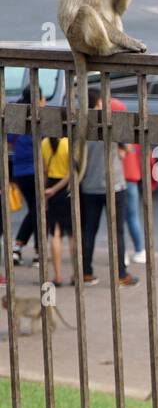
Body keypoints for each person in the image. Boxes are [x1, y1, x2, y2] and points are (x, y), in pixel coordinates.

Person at [78, 89, 138, 288]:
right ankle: (121, 274)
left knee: (89, 230)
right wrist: (119, 150)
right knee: (117, 232)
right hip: (114, 185)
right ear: (98, 104)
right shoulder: (109, 122)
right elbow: (128, 149)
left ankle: (86, 273)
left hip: (89, 185)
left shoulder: (81, 124)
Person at [8, 83, 42, 267]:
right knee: (39, 211)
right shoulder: (40, 117)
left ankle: (17, 248)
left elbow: (9, 140)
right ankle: (38, 252)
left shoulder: (15, 114)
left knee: (34, 209)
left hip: (19, 172)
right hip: (36, 171)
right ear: (38, 99)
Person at [38, 119, 73, 287]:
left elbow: (44, 171)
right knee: (72, 234)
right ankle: (76, 274)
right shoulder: (68, 144)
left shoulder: (44, 143)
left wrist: (47, 191)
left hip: (50, 186)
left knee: (55, 234)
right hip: (65, 190)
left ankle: (57, 276)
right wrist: (56, 189)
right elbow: (70, 174)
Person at [120, 130, 147, 263]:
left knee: (116, 220)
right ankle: (139, 250)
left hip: (116, 181)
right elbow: (145, 157)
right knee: (133, 217)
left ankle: (122, 254)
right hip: (132, 180)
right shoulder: (133, 134)